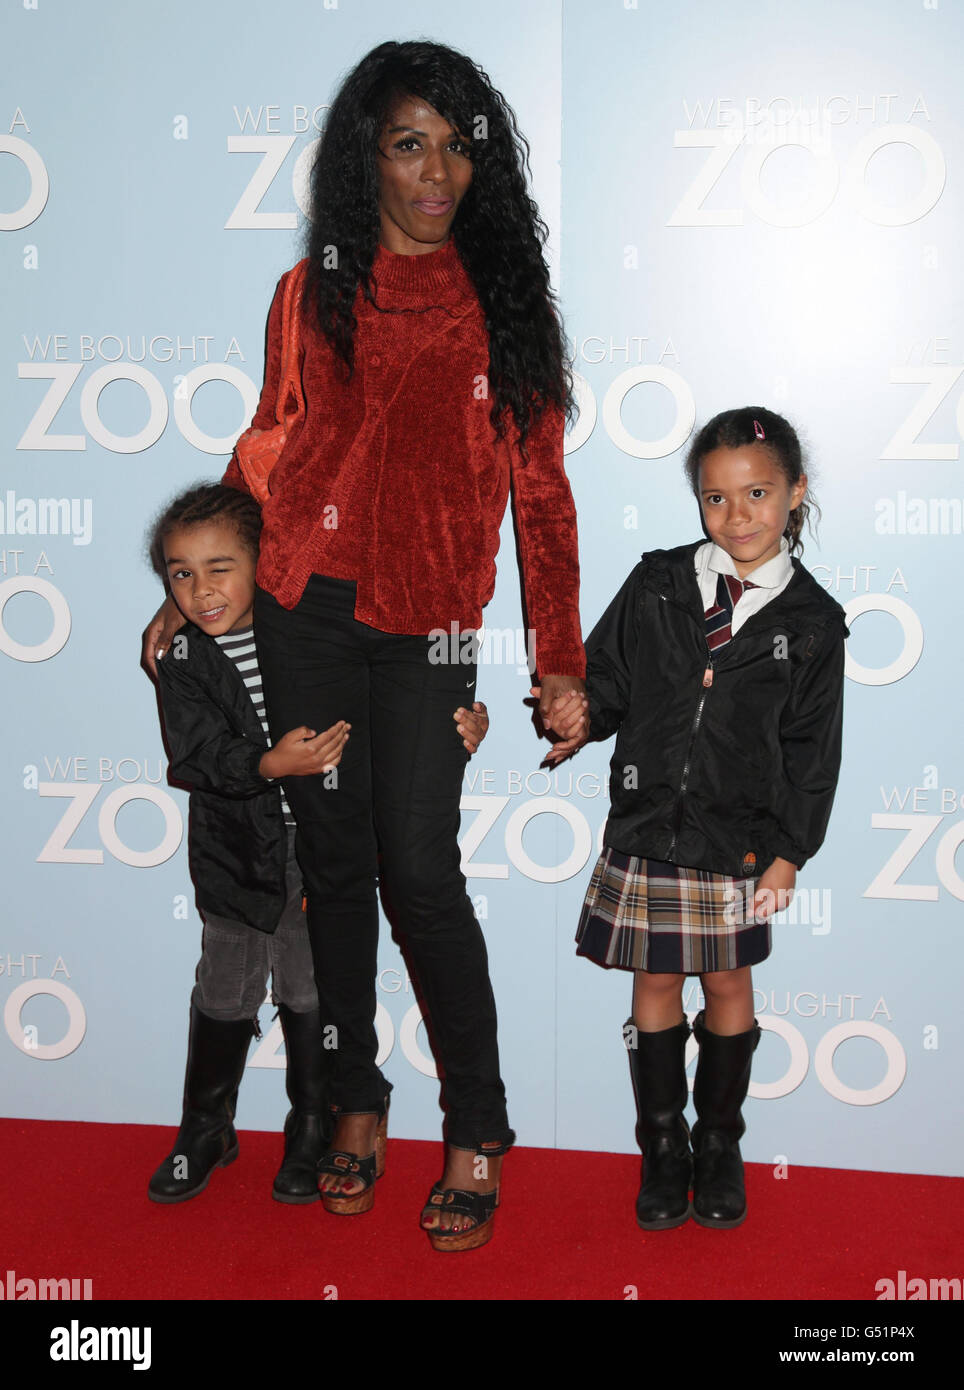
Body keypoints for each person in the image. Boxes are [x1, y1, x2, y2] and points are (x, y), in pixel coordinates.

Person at [144, 40, 584, 1251]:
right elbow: (270, 443)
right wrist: (197, 590)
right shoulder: (310, 292)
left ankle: (478, 1127)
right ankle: (353, 1099)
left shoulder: (507, 305)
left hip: (433, 625)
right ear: (366, 158)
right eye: (409, 143)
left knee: (421, 872)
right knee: (332, 871)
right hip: (305, 612)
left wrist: (558, 662)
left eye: (456, 145)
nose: (435, 170)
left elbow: (542, 498)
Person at [543, 406, 847, 1230]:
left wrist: (788, 854)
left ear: (795, 493)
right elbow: (605, 681)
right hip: (647, 830)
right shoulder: (659, 582)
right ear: (697, 503)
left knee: (726, 982)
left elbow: (813, 752)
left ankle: (718, 1146)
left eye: (756, 493)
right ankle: (662, 1146)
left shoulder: (813, 623)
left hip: (736, 842)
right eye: (716, 498)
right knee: (655, 982)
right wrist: (577, 711)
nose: (737, 515)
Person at [144, 482, 488, 1208]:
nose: (203, 591)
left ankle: (313, 1125)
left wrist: (458, 719)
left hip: (316, 849)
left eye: (220, 569)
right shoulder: (184, 657)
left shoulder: (299, 630)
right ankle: (206, 1125)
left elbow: (387, 711)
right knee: (225, 987)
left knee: (309, 989)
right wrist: (268, 764)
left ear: (266, 564)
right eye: (181, 574)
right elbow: (195, 755)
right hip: (235, 855)